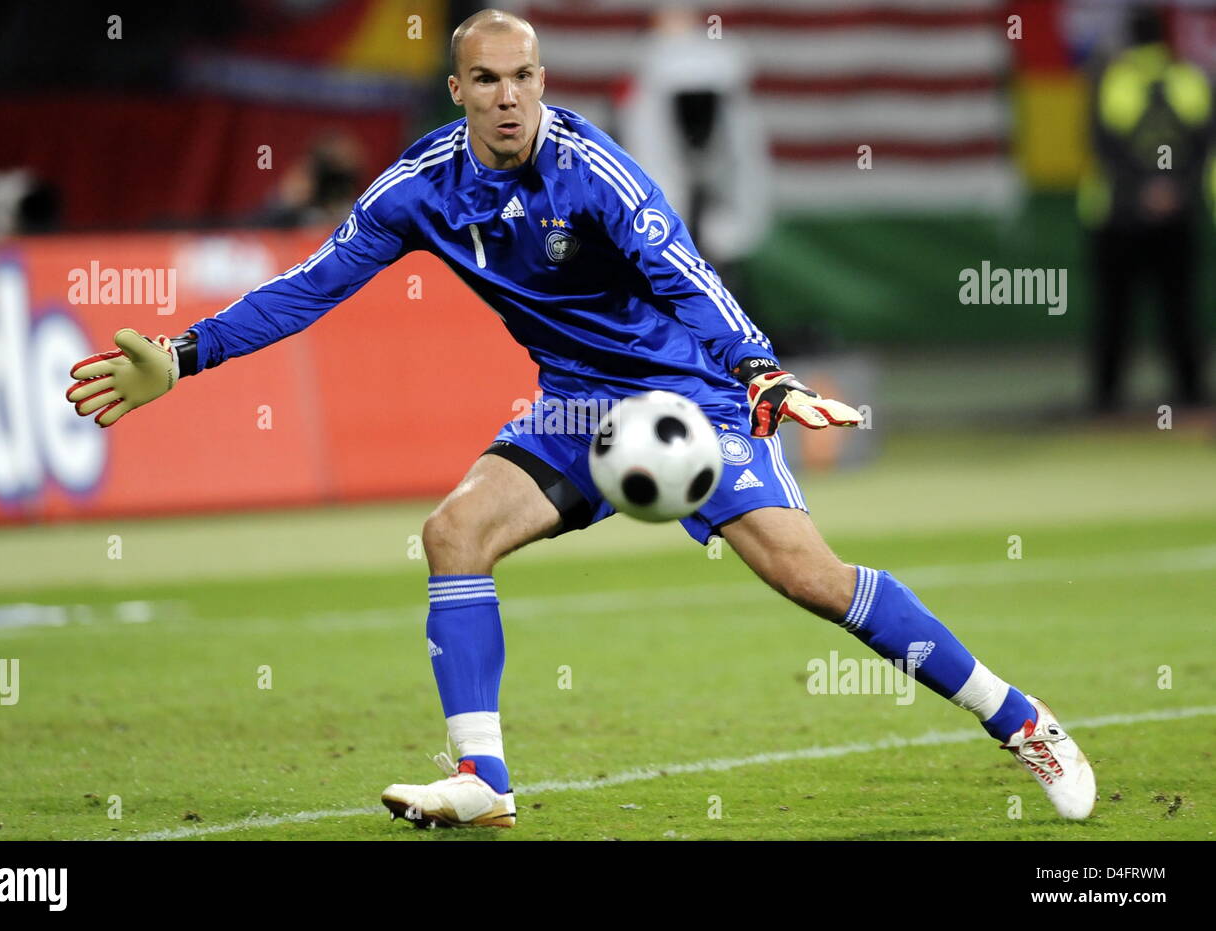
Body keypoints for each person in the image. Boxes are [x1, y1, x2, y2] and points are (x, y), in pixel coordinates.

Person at [65, 9, 1096, 828]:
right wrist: (188, 353)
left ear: (542, 81)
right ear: (458, 90)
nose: (510, 96)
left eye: (525, 77)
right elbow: (311, 285)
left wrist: (759, 370)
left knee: (810, 579)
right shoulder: (419, 190)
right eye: (487, 80)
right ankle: (483, 779)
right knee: (453, 533)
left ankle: (1020, 720)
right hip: (574, 408)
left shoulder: (593, 171)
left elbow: (686, 274)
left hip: (687, 398)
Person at [1079, 6, 1211, 413]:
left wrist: (1143, 192)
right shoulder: (1190, 79)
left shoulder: (1112, 79)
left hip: (1117, 218)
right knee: (1179, 309)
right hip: (1177, 215)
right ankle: (1190, 396)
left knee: (1114, 313)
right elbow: (1200, 147)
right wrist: (1171, 189)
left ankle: (1105, 400)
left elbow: (1104, 146)